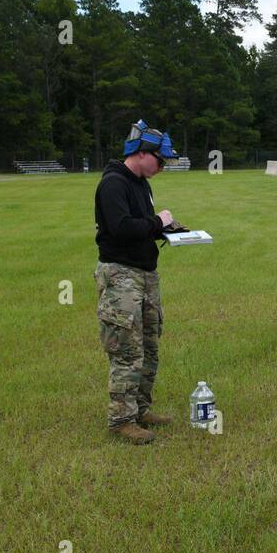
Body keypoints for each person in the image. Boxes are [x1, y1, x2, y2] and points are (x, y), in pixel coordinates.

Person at [94, 120, 179, 444]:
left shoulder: (141, 183)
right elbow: (121, 228)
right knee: (126, 351)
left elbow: (142, 225)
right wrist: (158, 221)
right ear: (142, 153)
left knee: (149, 346)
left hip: (146, 275)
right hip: (121, 276)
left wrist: (170, 230)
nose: (162, 167)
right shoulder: (113, 184)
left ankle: (141, 409)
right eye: (160, 160)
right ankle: (120, 421)